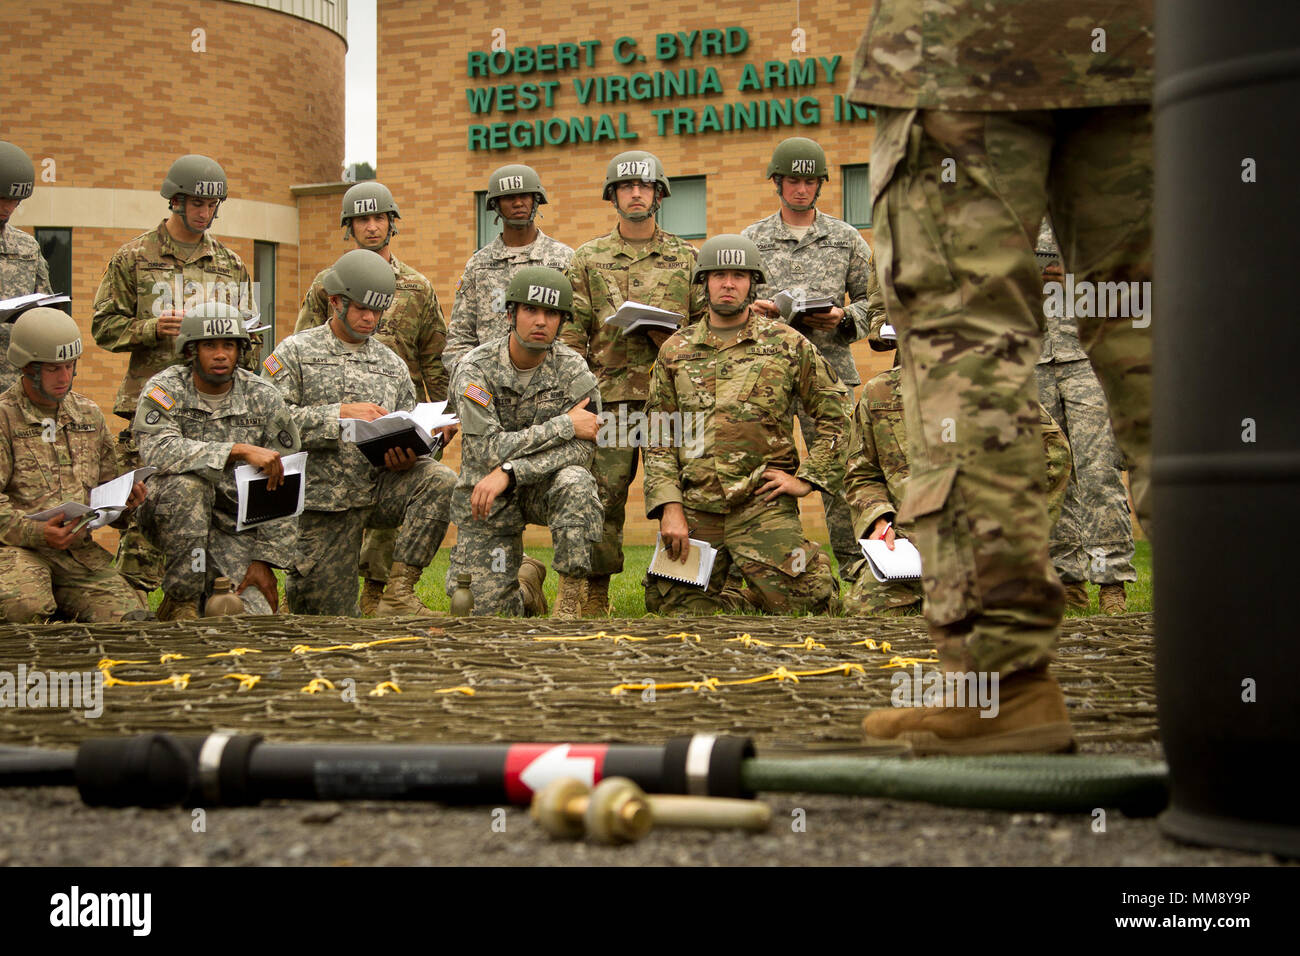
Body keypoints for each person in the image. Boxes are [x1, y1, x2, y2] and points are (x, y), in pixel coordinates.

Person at [848, 0, 1153, 753]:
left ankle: (1001, 684)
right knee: (1172, 331)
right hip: (1155, 48)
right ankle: (1255, 648)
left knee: (967, 346)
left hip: (971, 47)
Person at [642, 235, 847, 614]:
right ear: (703, 282)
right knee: (670, 610)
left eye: (739, 275)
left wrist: (807, 479)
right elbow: (658, 437)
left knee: (809, 605)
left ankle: (757, 584)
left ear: (753, 283)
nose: (728, 283)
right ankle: (739, 591)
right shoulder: (674, 350)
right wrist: (669, 507)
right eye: (718, 275)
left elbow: (837, 414)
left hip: (763, 505)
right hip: (696, 507)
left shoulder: (788, 344)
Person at [91, 153, 259, 597]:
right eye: (196, 205)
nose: (204, 214)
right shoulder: (134, 257)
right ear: (176, 201)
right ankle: (130, 604)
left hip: (213, 409)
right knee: (147, 510)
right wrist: (151, 328)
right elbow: (103, 328)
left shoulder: (231, 264)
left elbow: (252, 336)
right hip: (153, 407)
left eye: (212, 206)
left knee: (207, 506)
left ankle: (195, 599)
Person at [263, 249, 455, 617]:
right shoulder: (295, 352)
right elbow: (270, 424)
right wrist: (337, 415)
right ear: (335, 301)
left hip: (379, 486)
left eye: (378, 310)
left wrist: (415, 450)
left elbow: (407, 421)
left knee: (439, 480)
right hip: (324, 503)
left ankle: (399, 591)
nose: (370, 318)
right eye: (361, 309)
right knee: (324, 619)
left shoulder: (391, 364)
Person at [844, 314, 1073, 616]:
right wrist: (879, 520)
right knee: (865, 610)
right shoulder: (879, 392)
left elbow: (1052, 454)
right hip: (908, 545)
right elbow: (862, 472)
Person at [560, 150, 705, 616]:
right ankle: (594, 593)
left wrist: (673, 337)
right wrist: (577, 399)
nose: (636, 193)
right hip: (612, 403)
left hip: (670, 404)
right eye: (626, 187)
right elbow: (570, 334)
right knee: (603, 497)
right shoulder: (588, 258)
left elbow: (708, 332)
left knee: (685, 491)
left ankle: (683, 586)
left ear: (659, 194)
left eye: (645, 186)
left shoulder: (687, 258)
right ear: (613, 195)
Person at [742, 136, 883, 579]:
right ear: (777, 183)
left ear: (820, 184)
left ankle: (859, 569)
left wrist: (844, 317)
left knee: (842, 468)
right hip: (768, 374)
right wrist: (758, 314)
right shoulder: (752, 239)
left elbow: (873, 303)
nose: (800, 189)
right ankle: (778, 567)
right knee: (770, 469)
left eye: (809, 181)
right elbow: (733, 304)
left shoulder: (846, 238)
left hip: (831, 370)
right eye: (792, 181)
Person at [448, 267, 603, 618]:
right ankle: (527, 582)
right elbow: (484, 449)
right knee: (484, 611)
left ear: (562, 322)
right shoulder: (475, 368)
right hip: (488, 495)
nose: (540, 321)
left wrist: (513, 470)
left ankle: (568, 600)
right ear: (510, 314)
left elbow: (584, 450)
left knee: (576, 481)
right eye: (530, 310)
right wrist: (564, 425)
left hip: (539, 487)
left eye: (551, 313)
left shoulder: (574, 370)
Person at [133, 302, 301, 621]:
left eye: (229, 345)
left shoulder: (264, 397)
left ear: (241, 351)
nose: (221, 354)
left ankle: (196, 600)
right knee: (188, 486)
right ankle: (181, 599)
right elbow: (158, 449)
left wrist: (264, 560)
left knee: (252, 617)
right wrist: (235, 450)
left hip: (234, 526)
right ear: (191, 351)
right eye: (210, 345)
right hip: (170, 515)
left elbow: (286, 479)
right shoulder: (164, 388)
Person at [0, 309, 147, 622]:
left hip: (78, 554)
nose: (64, 377)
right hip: (16, 551)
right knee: (24, 608)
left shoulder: (88, 415)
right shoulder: (4, 418)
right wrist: (36, 532)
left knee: (131, 617)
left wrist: (126, 502)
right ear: (28, 367)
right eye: (54, 368)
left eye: (69, 366)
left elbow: (106, 489)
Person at [1034, 219, 1136, 614]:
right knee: (1050, 474)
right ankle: (1068, 579)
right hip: (1033, 360)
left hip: (1087, 359)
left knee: (1098, 472)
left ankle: (1111, 583)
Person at [444, 164, 573, 375]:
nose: (518, 203)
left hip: (552, 382)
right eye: (509, 197)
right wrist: (476, 378)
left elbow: (576, 331)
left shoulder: (563, 260)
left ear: (536, 200)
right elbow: (459, 339)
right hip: (491, 383)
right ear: (496, 205)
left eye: (525, 196)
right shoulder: (478, 266)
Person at [0, 140, 53, 392]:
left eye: (15, 201)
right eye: (2, 199)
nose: (8, 208)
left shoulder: (27, 248)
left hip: (15, 390)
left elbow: (45, 310)